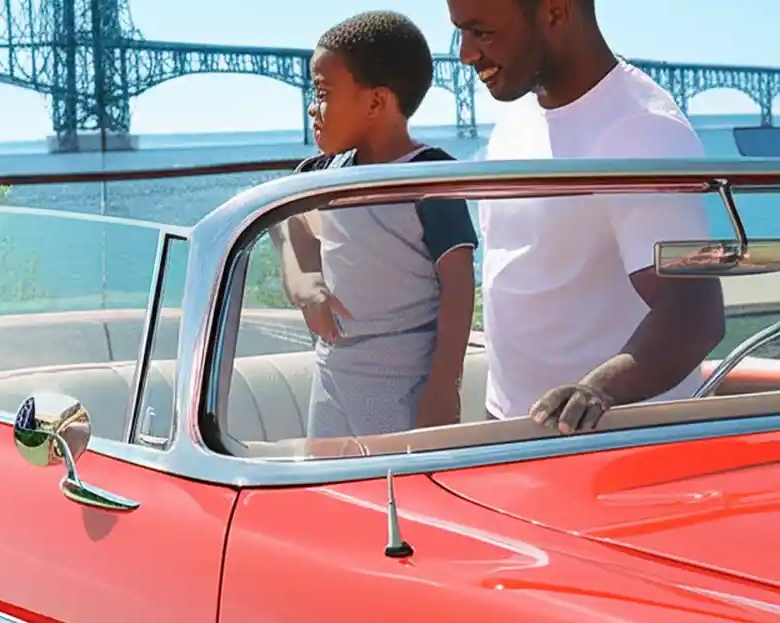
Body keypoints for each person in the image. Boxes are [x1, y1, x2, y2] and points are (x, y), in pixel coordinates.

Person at [447, 0, 725, 434]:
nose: (465, 54)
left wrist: (597, 391)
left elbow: (694, 311)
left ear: (555, 12)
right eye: (460, 33)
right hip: (514, 434)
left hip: (609, 442)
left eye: (481, 33)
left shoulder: (645, 130)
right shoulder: (518, 117)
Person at [270, 10, 479, 437]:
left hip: (402, 378)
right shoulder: (322, 173)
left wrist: (443, 387)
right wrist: (304, 277)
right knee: (329, 488)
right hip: (332, 368)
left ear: (376, 101)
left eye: (323, 92)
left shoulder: (429, 176)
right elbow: (287, 221)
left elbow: (459, 285)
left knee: (396, 490)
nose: (312, 108)